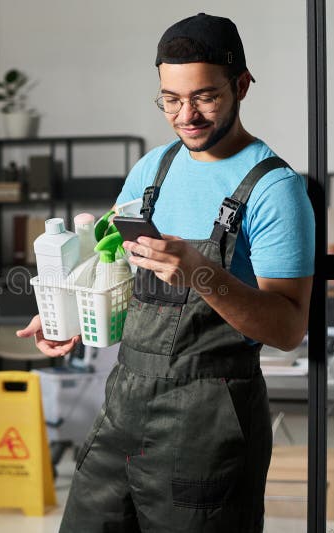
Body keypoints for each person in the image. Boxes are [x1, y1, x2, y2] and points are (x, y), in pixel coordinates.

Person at [17, 13, 314, 532]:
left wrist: (203, 274)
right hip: (123, 408)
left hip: (209, 425)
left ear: (241, 85)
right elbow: (109, 262)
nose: (186, 115)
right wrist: (64, 307)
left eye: (204, 97)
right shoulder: (152, 169)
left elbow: (288, 328)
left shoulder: (274, 189)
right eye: (171, 100)